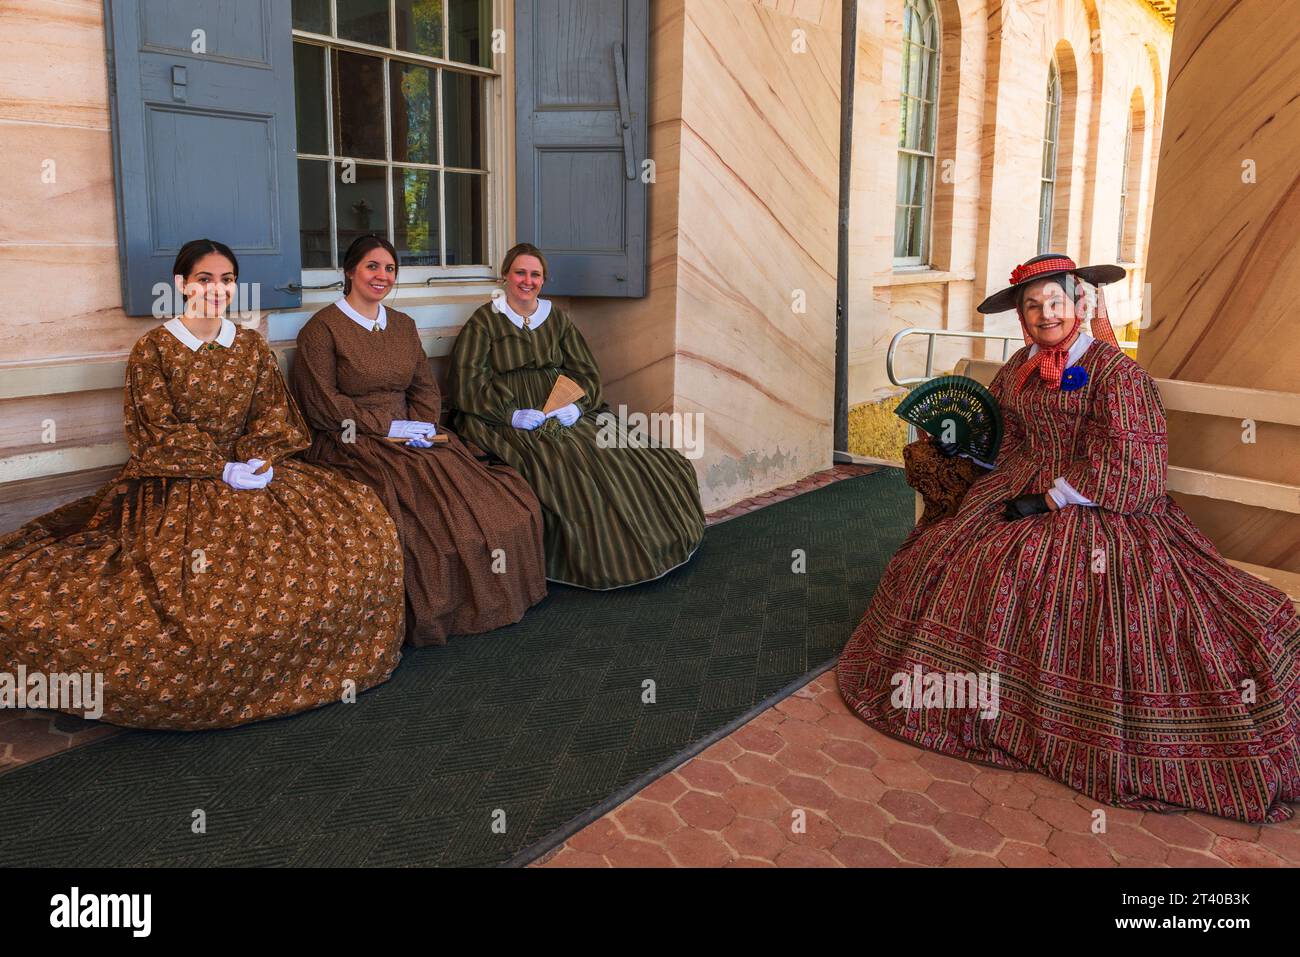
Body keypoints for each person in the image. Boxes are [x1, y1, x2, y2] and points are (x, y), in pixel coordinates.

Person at [838, 253, 1300, 822]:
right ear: (1022, 317)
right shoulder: (1021, 367)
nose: (1043, 314)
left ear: (1076, 303)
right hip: (1014, 488)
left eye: (1053, 301)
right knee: (951, 553)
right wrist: (973, 458)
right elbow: (1004, 434)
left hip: (1100, 504)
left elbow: (1133, 461)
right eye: (1031, 307)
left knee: (1048, 575)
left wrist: (1049, 499)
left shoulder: (1114, 373)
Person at [0, 239, 406, 730]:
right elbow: (153, 429)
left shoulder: (251, 345)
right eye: (205, 279)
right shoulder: (155, 347)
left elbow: (273, 414)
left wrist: (258, 458)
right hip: (180, 480)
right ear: (181, 285)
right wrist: (217, 469)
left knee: (356, 528)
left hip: (253, 474)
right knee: (191, 608)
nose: (218, 289)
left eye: (227, 280)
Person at [290, 235, 546, 645]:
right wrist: (386, 428)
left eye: (389, 269)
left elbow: (425, 388)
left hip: (415, 432)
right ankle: (437, 613)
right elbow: (322, 403)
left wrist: (423, 427)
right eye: (372, 266)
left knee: (502, 507)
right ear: (350, 271)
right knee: (426, 524)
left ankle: (492, 598)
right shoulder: (322, 330)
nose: (381, 276)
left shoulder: (403, 325)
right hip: (352, 438)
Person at [448, 243, 705, 589]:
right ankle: (601, 558)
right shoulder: (485, 321)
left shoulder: (557, 320)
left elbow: (585, 372)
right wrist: (510, 414)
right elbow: (467, 381)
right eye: (520, 272)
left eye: (535, 274)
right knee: (569, 468)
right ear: (505, 275)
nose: (527, 281)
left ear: (544, 280)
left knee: (637, 454)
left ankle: (659, 543)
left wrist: (577, 406)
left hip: (561, 410)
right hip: (509, 416)